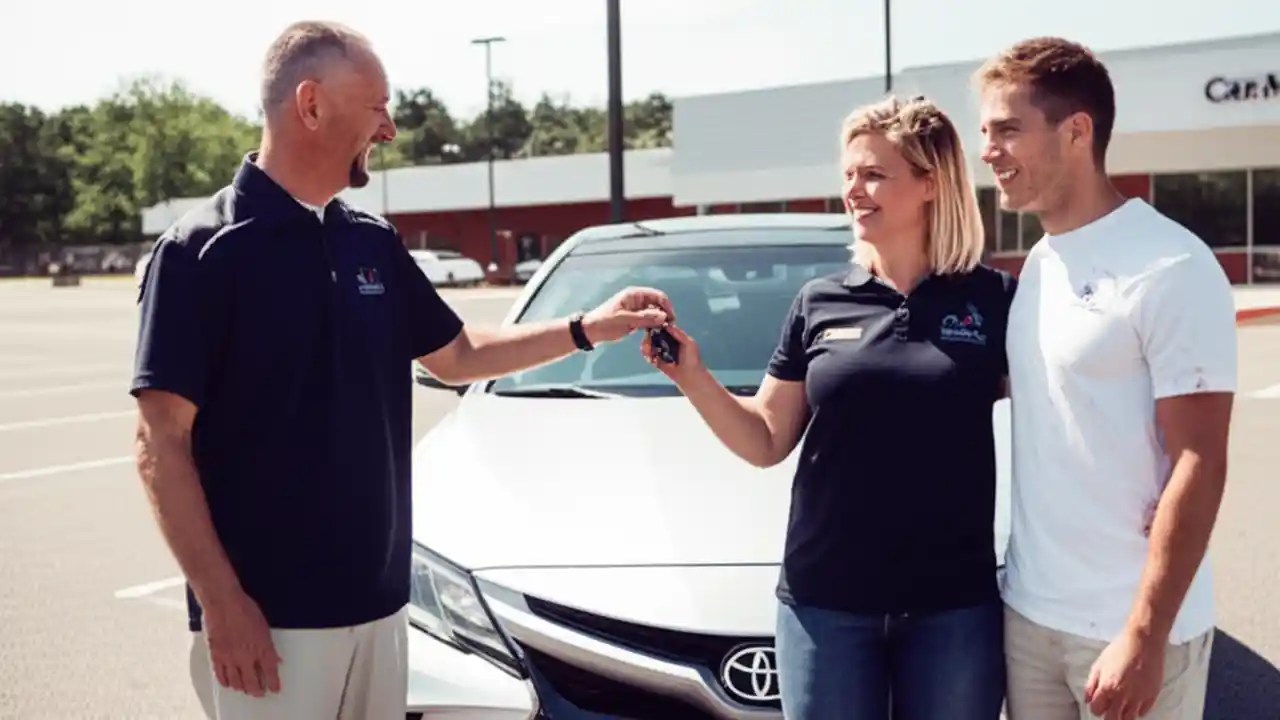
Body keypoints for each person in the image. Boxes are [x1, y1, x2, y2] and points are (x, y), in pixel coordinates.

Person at [129, 20, 672, 720]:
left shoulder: (371, 242)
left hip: (383, 610)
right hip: (270, 622)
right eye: (378, 107)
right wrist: (222, 602)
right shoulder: (201, 252)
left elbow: (458, 356)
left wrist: (587, 328)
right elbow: (158, 446)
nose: (389, 129)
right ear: (312, 105)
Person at [642, 94, 1016, 719]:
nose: (854, 190)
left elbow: (1059, 414)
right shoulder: (821, 301)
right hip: (826, 607)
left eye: (874, 173)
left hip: (954, 607)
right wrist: (692, 377)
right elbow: (766, 439)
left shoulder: (996, 300)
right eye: (848, 175)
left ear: (930, 184)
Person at [974, 37, 1237, 720]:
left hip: (1130, 630)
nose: (988, 150)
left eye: (1007, 129)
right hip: (1030, 617)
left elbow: (1201, 460)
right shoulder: (1038, 265)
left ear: (1076, 132)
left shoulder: (1171, 265)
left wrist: (1145, 636)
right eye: (985, 132)